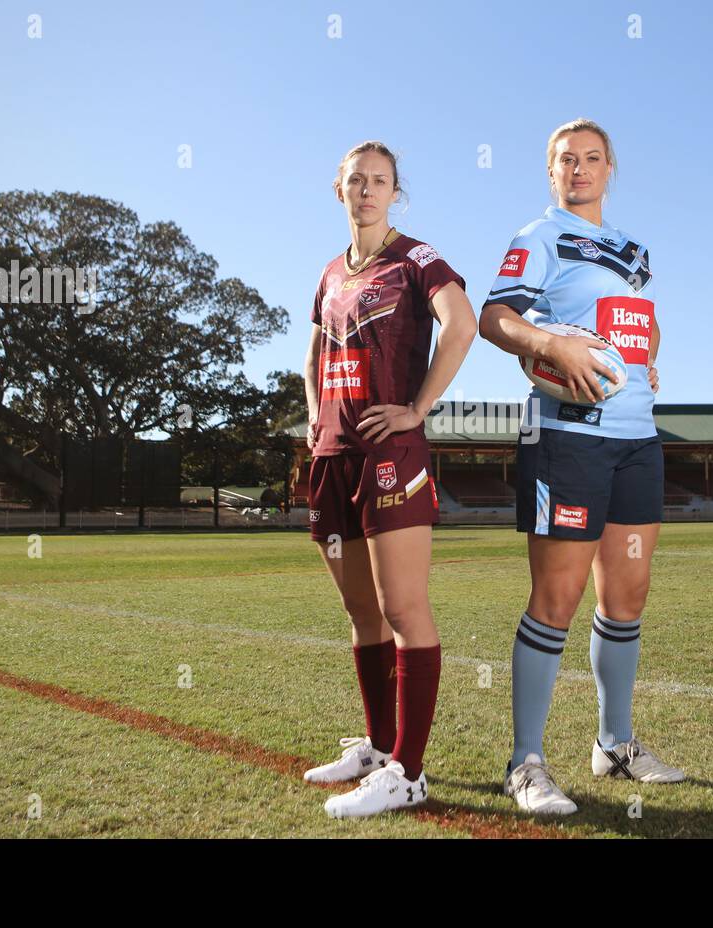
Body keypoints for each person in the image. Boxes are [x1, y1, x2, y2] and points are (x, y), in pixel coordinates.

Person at [478, 118, 683, 815]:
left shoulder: (634, 250)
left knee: (627, 597)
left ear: (609, 168)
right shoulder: (539, 236)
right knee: (557, 599)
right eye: (567, 159)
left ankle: (614, 744)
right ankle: (525, 762)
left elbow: (644, 320)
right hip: (566, 439)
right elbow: (495, 318)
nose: (579, 169)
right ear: (551, 170)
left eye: (592, 158)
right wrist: (550, 345)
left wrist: (646, 357)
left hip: (637, 440)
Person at [302, 140, 475, 817]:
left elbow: (462, 326)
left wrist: (417, 409)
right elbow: (314, 352)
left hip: (389, 453)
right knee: (361, 612)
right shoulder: (328, 273)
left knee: (403, 608)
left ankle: (409, 771)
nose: (367, 190)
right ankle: (377, 747)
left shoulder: (417, 259)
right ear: (339, 189)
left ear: (395, 193)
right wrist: (315, 415)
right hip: (332, 455)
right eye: (356, 180)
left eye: (380, 181)